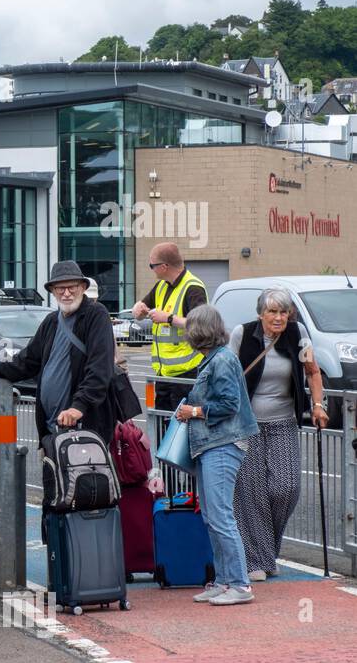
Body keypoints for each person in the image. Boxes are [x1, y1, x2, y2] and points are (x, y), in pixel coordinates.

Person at [230, 288, 329, 582]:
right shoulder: (242, 334)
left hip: (283, 420)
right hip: (246, 424)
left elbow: (312, 371)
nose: (278, 317)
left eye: (283, 312)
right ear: (260, 314)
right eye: (272, 312)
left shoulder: (298, 334)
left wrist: (318, 404)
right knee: (250, 491)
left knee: (285, 487)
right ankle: (257, 560)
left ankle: (265, 550)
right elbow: (229, 372)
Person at [0, 260, 117, 443]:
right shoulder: (52, 321)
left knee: (84, 471)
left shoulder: (96, 315)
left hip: (84, 425)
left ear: (83, 287)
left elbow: (99, 367)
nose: (66, 293)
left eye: (72, 287)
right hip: (53, 426)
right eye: (60, 288)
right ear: (52, 291)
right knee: (51, 471)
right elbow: (26, 362)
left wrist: (79, 406)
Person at [175, 305, 259, 605]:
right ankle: (224, 581)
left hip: (222, 444)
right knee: (213, 516)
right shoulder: (217, 358)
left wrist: (194, 411)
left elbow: (230, 403)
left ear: (199, 331)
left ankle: (239, 583)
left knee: (221, 516)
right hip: (215, 444)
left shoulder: (220, 361)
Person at [133, 242, 207, 411]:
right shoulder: (161, 286)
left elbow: (202, 324)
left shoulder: (193, 287)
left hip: (187, 373)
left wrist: (168, 318)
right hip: (164, 373)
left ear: (164, 266)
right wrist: (138, 309)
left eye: (152, 265)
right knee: (163, 426)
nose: (151, 269)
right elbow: (140, 307)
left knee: (182, 428)